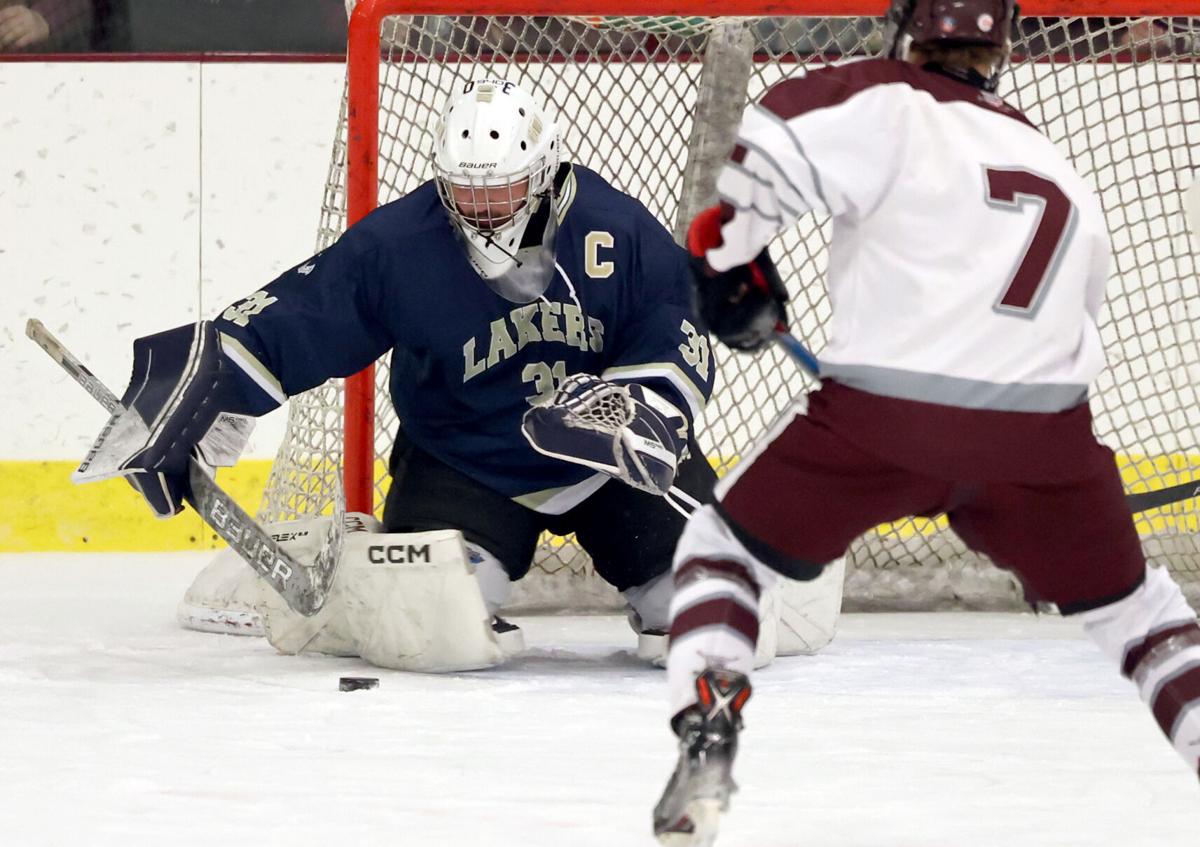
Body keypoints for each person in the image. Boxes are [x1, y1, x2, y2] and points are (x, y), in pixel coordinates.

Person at [652, 1, 1200, 843]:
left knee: (721, 550)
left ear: (908, 24)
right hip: (1044, 431)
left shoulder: (881, 97)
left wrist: (729, 262)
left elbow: (774, 140)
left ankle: (709, 726)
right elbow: (1078, 309)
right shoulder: (1047, 156)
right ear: (1001, 39)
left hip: (883, 417)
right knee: (1141, 616)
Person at [73, 78, 720, 662]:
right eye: (465, 190)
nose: (483, 208)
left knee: (713, 616)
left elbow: (675, 317)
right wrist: (206, 375)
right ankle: (363, 572)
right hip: (465, 460)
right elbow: (311, 309)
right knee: (435, 628)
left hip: (608, 465)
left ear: (545, 171)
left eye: (502, 189)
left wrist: (641, 405)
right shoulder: (404, 243)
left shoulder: (615, 228)